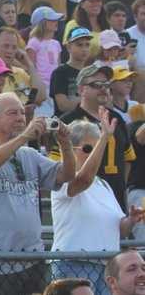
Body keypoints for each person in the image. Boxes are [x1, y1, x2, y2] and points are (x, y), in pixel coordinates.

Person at [0, 93, 76, 295]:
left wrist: (65, 144)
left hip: (32, 259)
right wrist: (24, 136)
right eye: (12, 113)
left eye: (21, 112)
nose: (20, 117)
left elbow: (67, 175)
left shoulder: (30, 154)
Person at [50, 115, 144, 294]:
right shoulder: (62, 176)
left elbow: (120, 229)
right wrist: (103, 139)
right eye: (88, 149)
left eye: (97, 148)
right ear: (70, 148)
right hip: (73, 263)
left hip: (106, 264)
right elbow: (83, 179)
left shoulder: (102, 183)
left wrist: (131, 219)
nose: (95, 154)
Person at [55, 63, 135, 211]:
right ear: (81, 89)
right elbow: (55, 166)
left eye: (106, 84)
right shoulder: (67, 122)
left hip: (114, 201)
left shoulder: (117, 119)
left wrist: (119, 187)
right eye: (96, 84)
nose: (103, 88)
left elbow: (127, 159)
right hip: (81, 201)